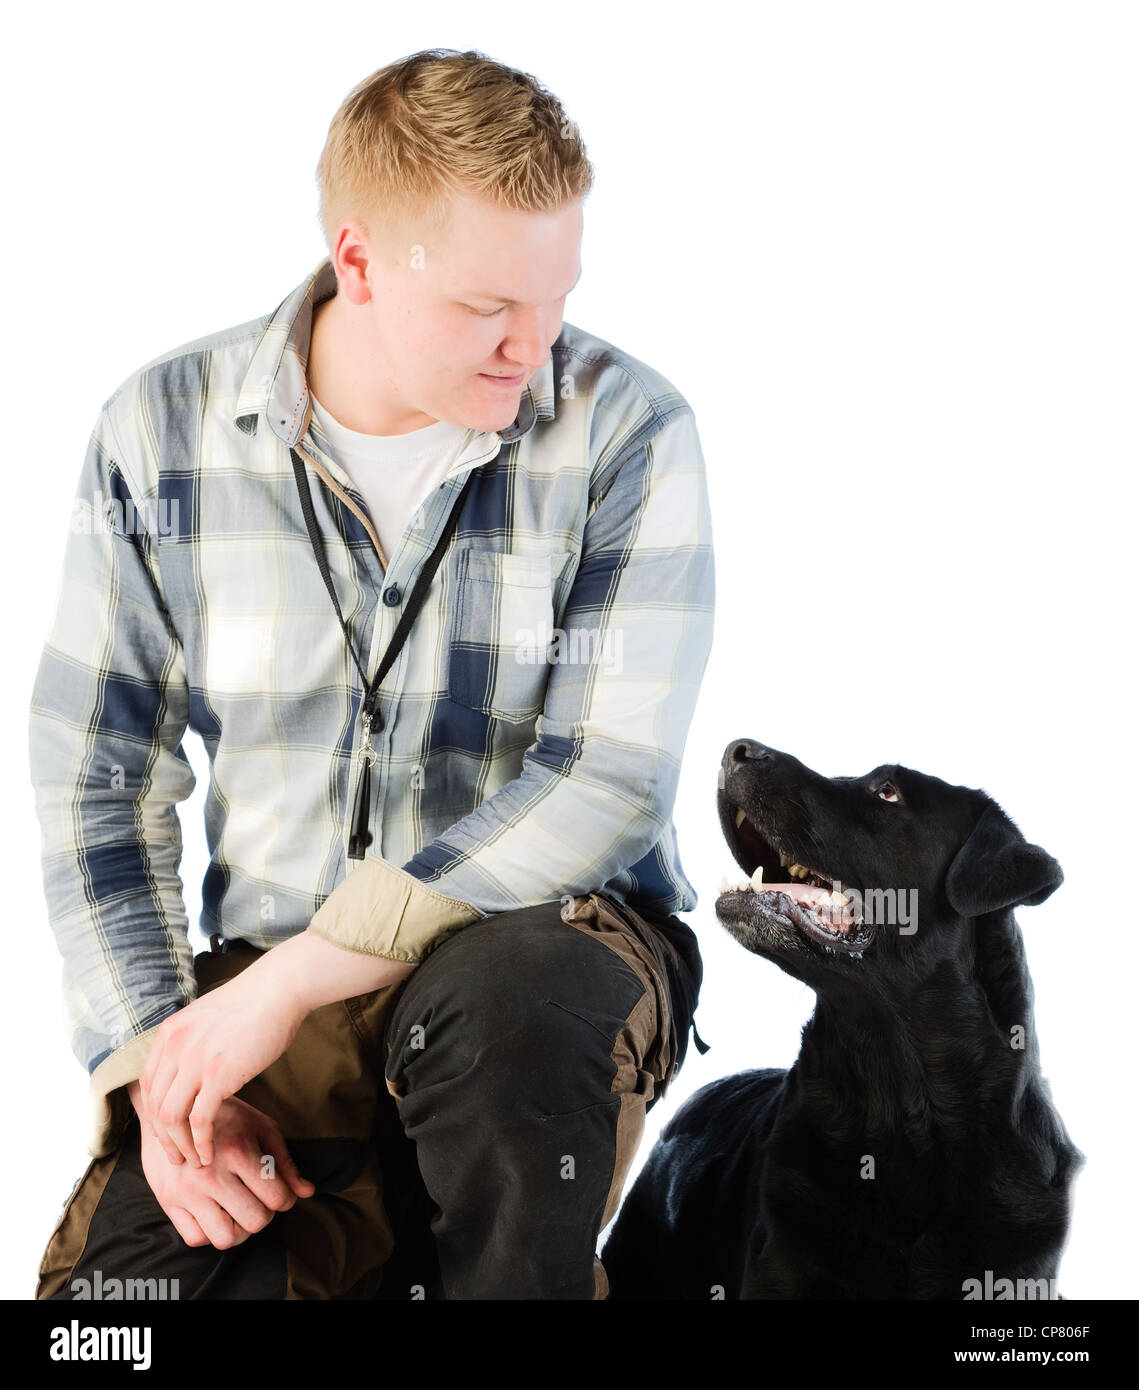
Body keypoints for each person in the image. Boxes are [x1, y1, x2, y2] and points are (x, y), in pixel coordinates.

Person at [29, 47, 714, 1301]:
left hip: (544, 955)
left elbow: (602, 782)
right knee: (110, 1321)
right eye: (483, 306)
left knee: (510, 1006)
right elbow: (99, 787)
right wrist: (155, 1073)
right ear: (357, 261)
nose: (532, 346)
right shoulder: (158, 432)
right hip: (266, 987)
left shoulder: (629, 430)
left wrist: (300, 974)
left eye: (555, 297)